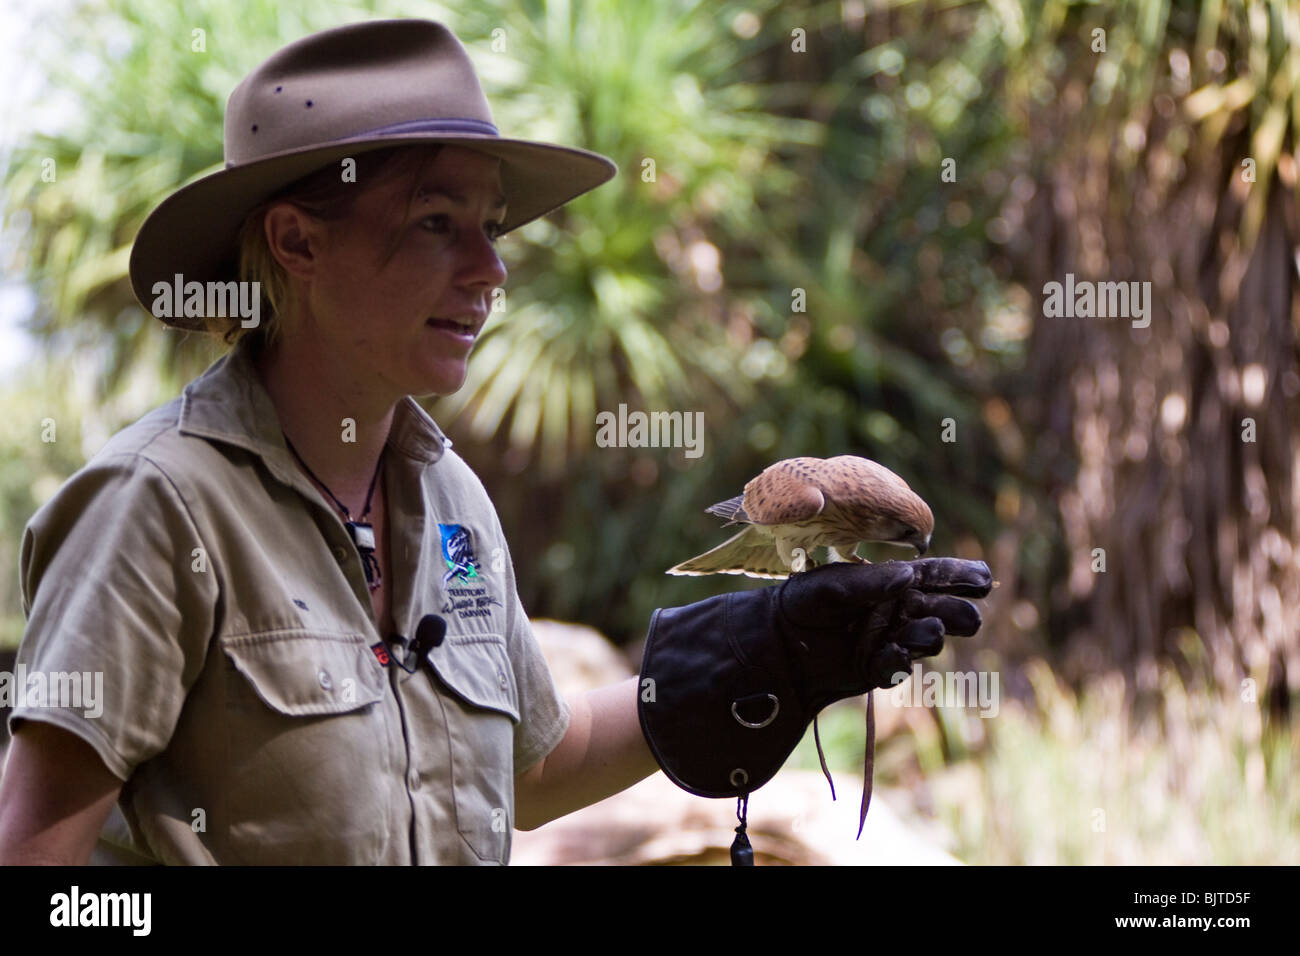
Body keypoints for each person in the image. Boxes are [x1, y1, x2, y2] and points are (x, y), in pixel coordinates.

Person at [0, 19, 992, 865]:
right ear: (299, 242)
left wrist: (757, 651)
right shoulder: (156, 504)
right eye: (438, 222)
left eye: (492, 225)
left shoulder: (452, 502)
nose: (492, 270)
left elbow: (530, 771)